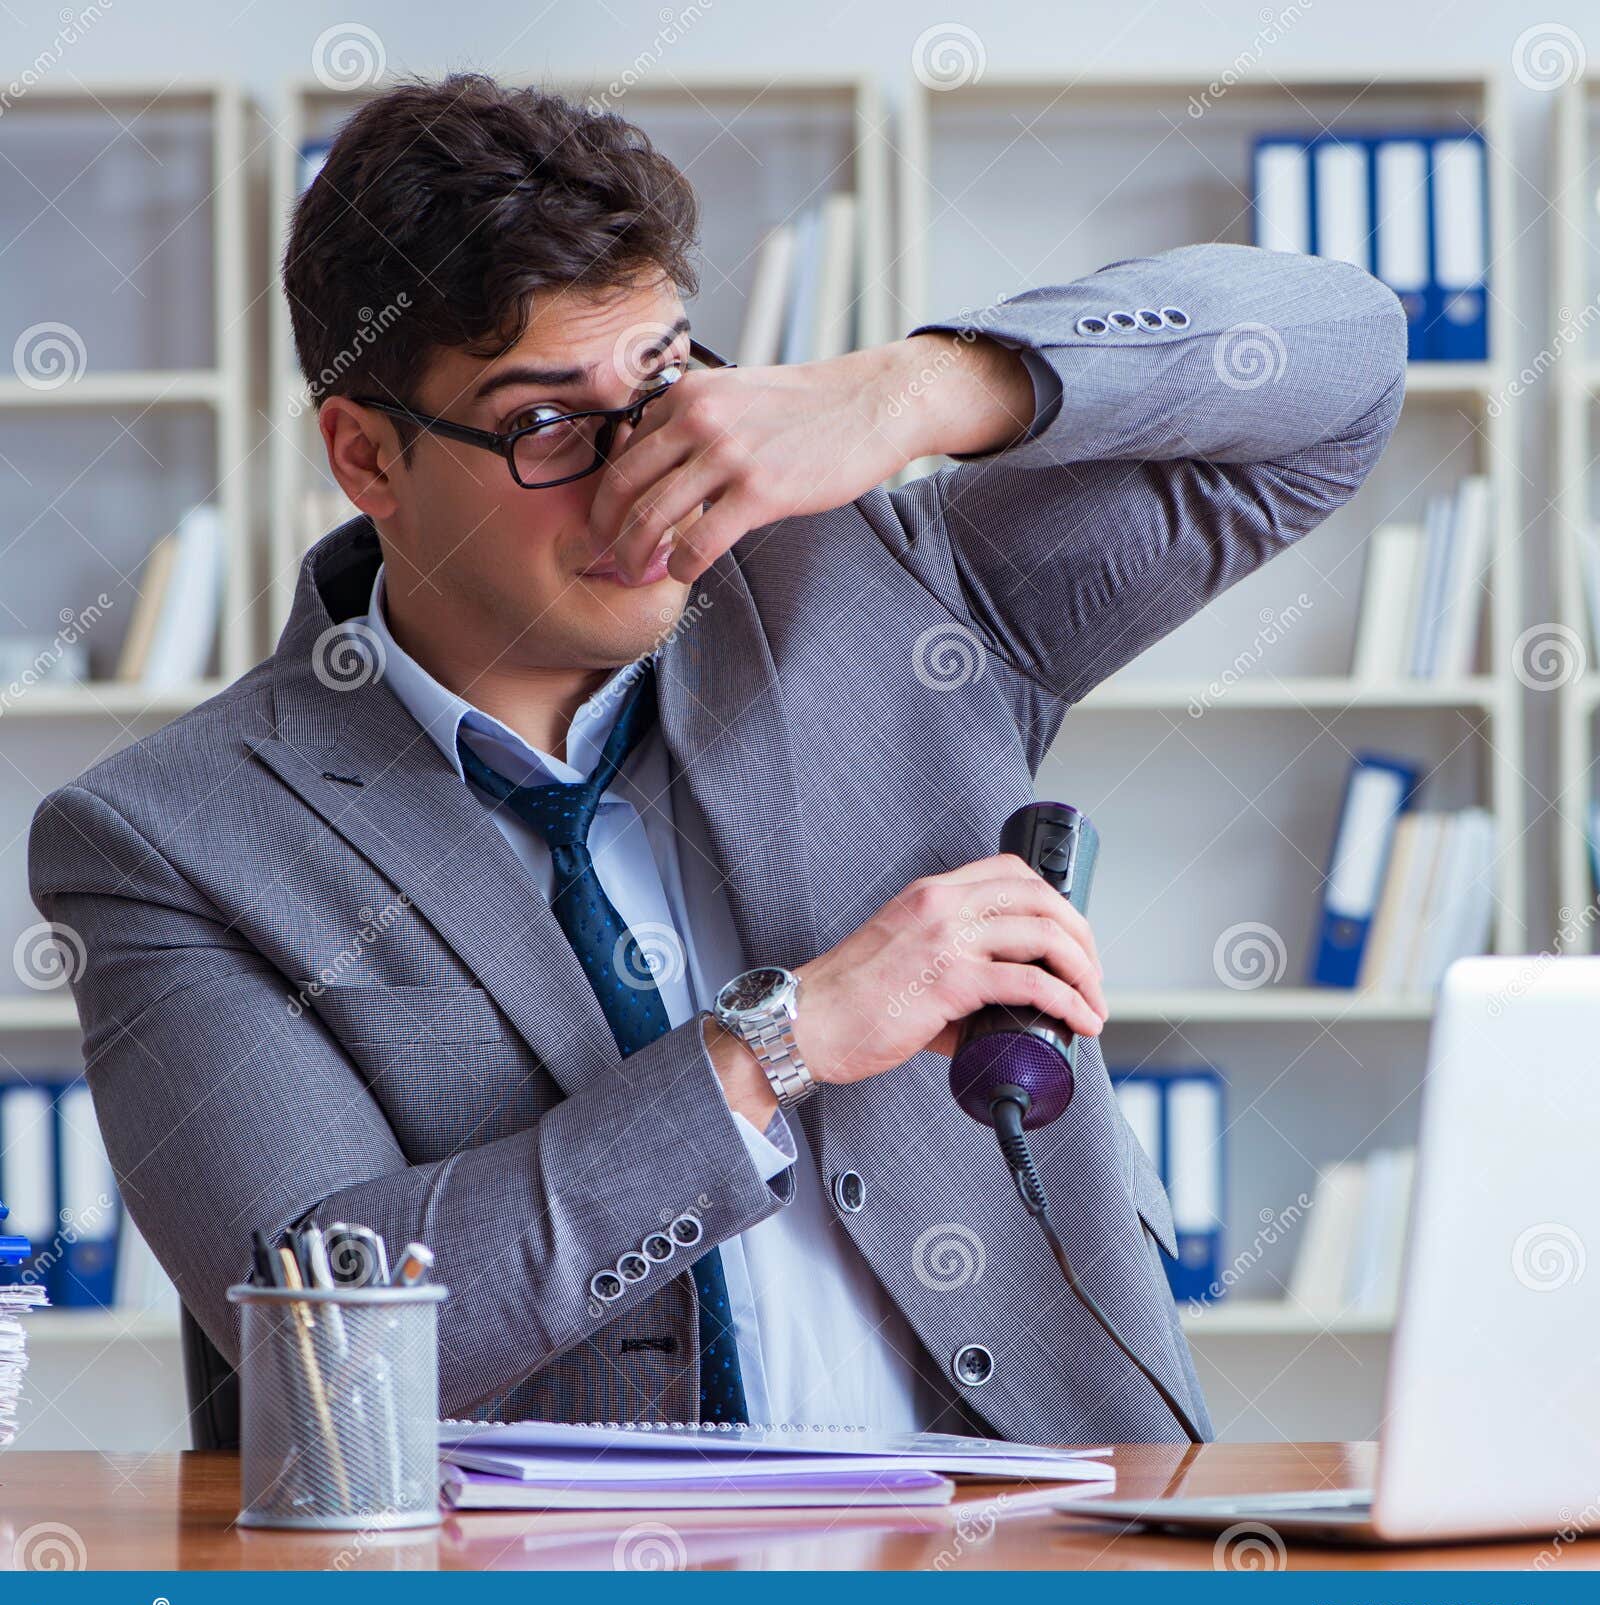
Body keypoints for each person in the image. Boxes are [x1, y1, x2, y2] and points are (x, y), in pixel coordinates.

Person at [29, 71, 1406, 1442]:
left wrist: (909, 392)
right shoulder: (173, 840)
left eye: (665, 378)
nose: (649, 471)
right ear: (368, 458)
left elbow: (1341, 366)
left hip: (1042, 1557)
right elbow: (330, 1334)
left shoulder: (884, 590)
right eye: (549, 423)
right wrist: (774, 1045)